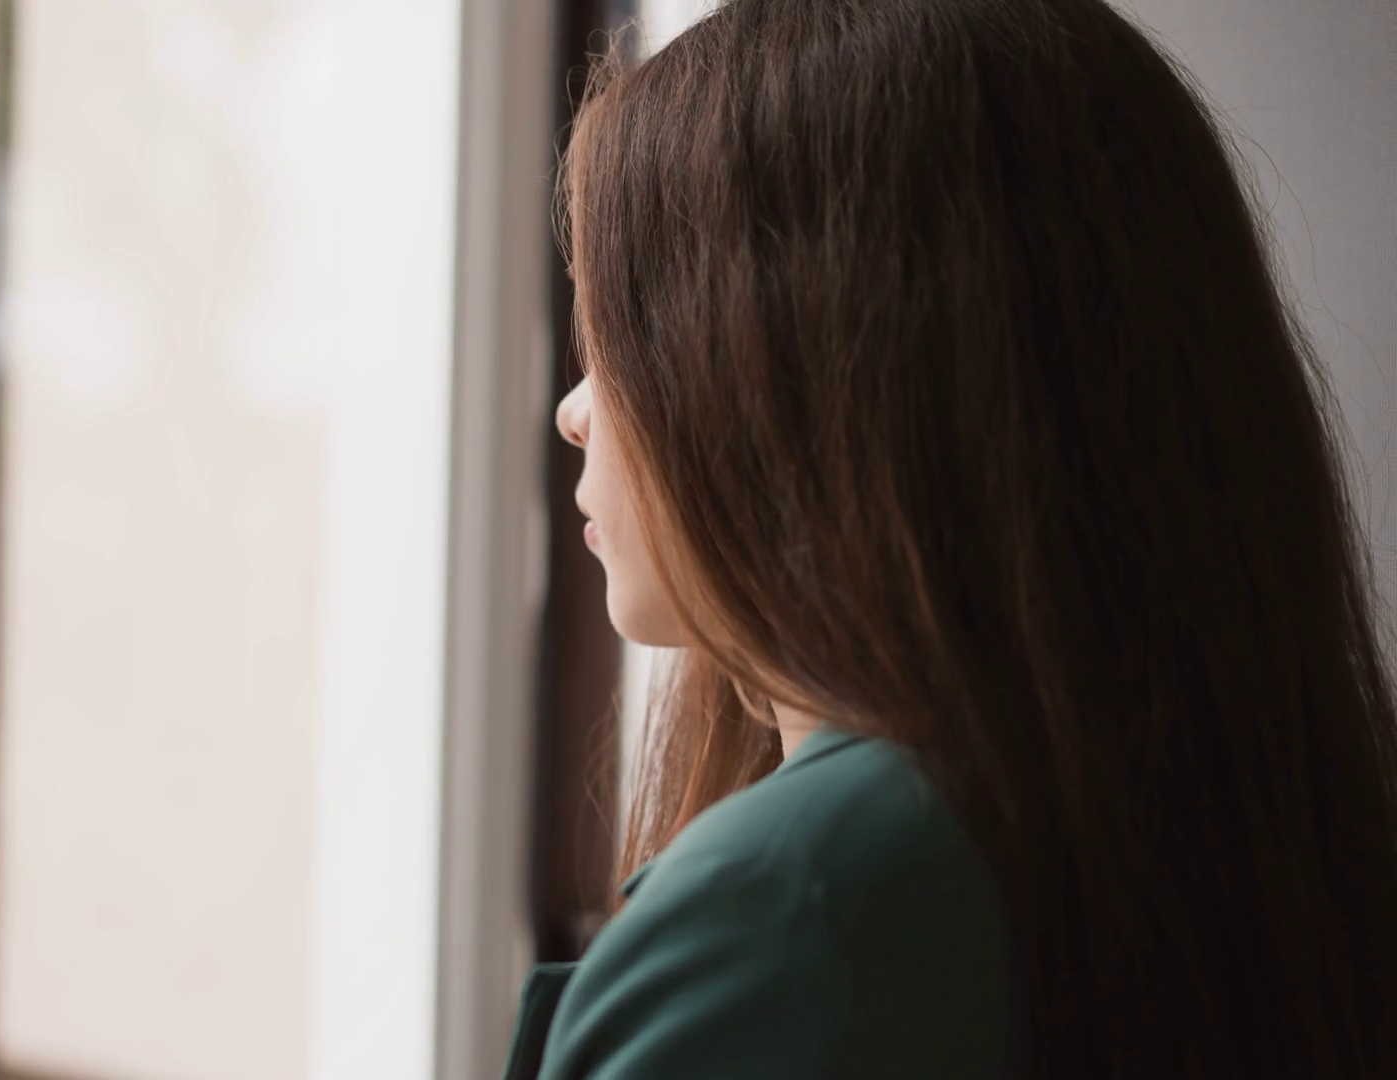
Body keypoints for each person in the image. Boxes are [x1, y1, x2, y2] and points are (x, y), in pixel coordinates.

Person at [501, 0, 1397, 1077]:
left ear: (806, 371)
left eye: (629, 334)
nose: (576, 409)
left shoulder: (793, 910)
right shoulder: (1262, 836)